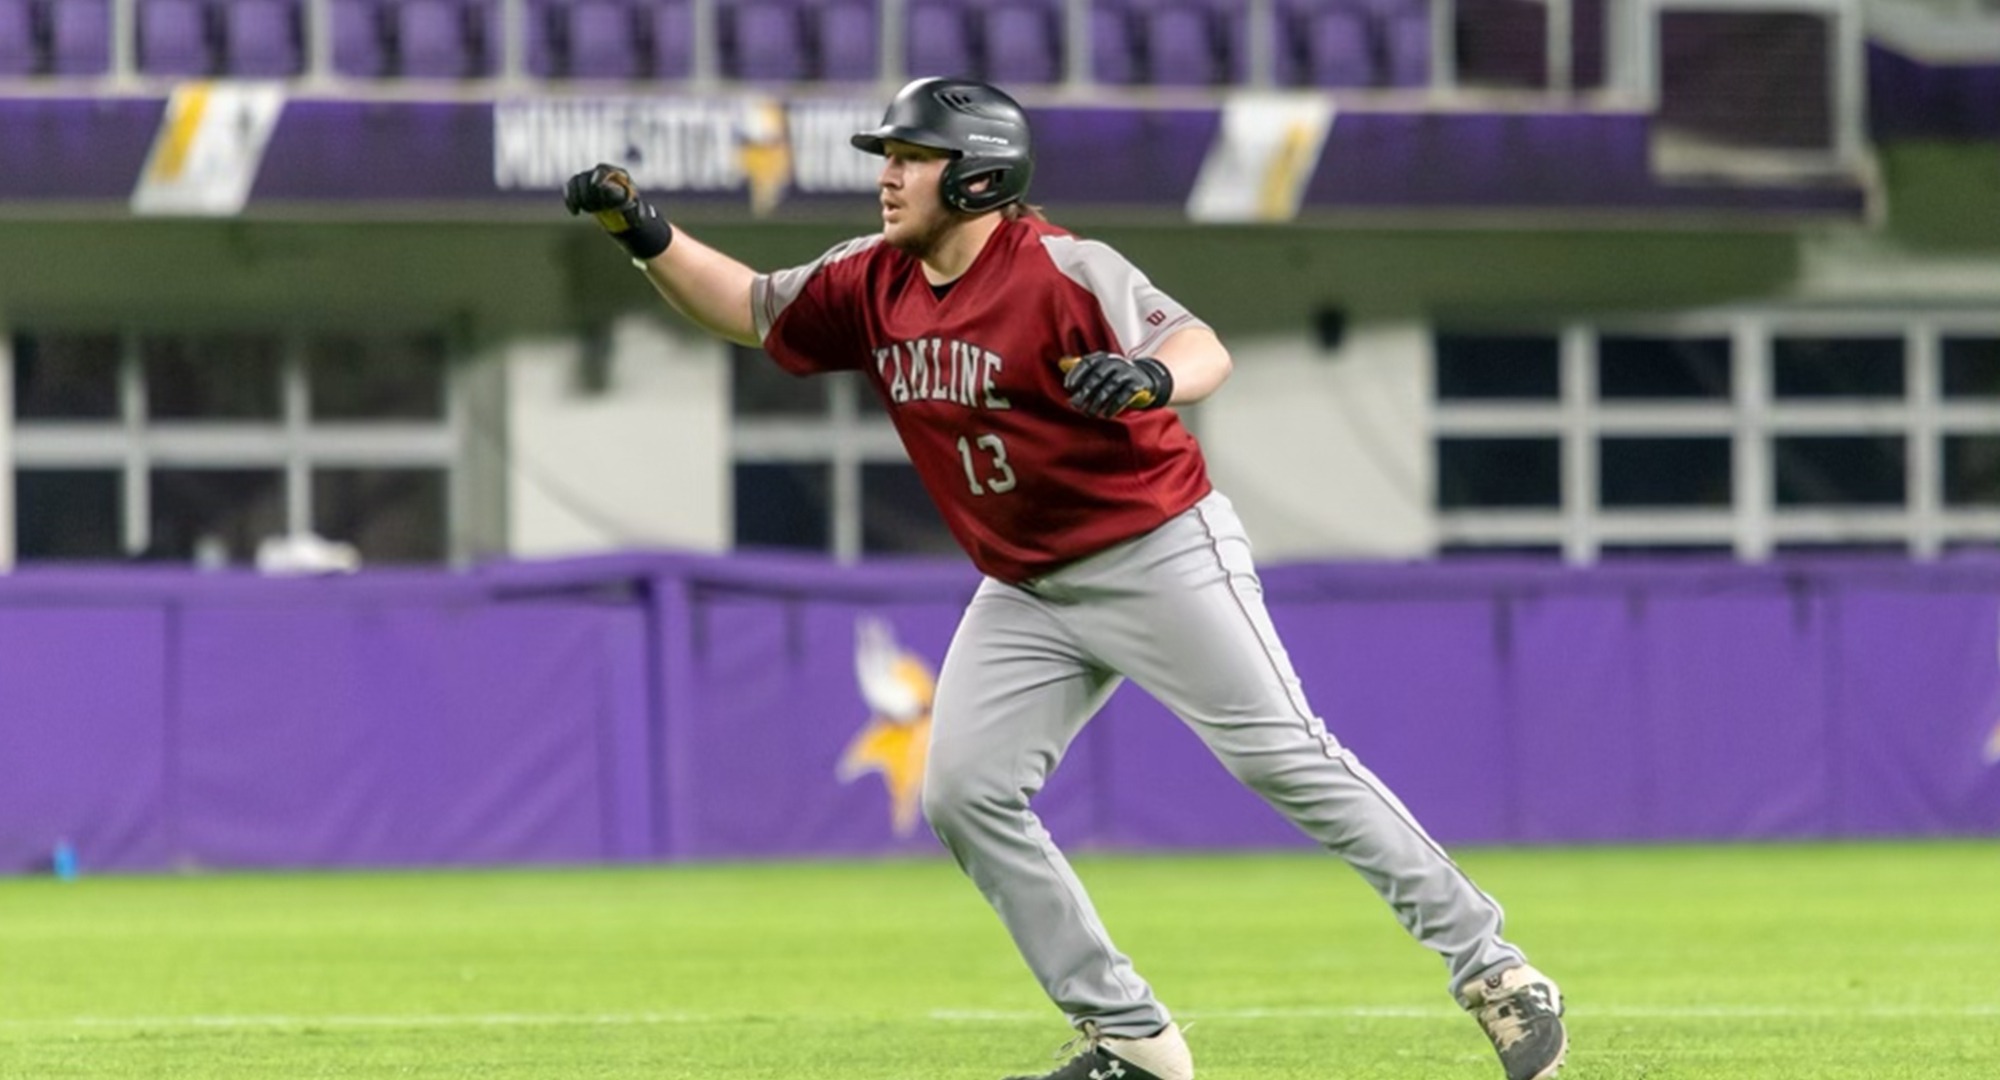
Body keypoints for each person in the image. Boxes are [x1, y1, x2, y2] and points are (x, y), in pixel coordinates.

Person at [565, 77, 1569, 1080]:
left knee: (1285, 760)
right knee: (962, 791)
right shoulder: (873, 279)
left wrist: (1152, 379)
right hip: (1026, 588)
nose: (887, 175)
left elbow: (1196, 342)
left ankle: (1499, 975)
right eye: (888, 156)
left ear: (978, 176)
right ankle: (1130, 1037)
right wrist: (643, 232)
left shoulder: (1058, 266)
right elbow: (747, 308)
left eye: (910, 158)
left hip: (1155, 549)